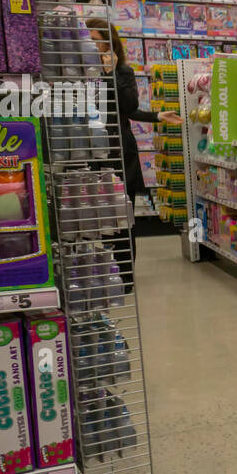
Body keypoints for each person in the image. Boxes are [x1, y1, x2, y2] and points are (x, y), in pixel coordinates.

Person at [85, 19, 181, 289]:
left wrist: (111, 72)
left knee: (123, 216)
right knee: (99, 215)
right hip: (93, 151)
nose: (92, 44)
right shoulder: (80, 73)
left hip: (120, 151)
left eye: (97, 39)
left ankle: (125, 276)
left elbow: (127, 106)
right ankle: (101, 271)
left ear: (109, 42)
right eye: (89, 39)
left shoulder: (123, 71)